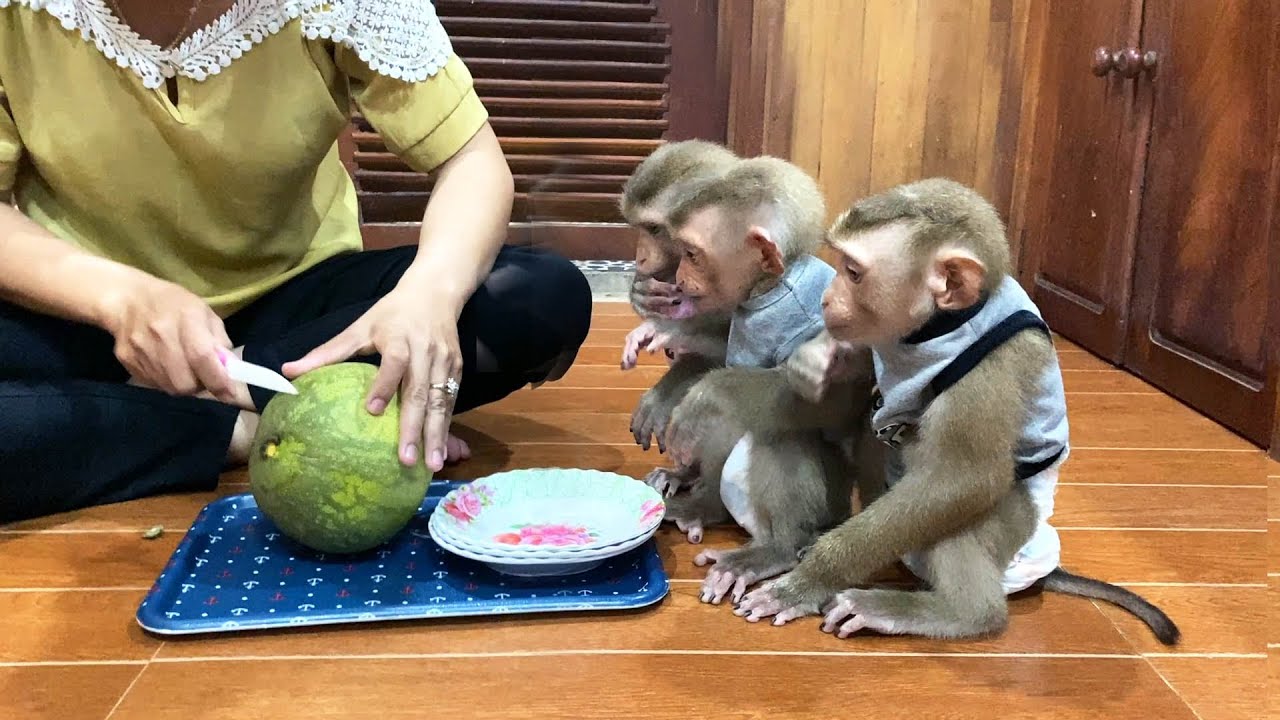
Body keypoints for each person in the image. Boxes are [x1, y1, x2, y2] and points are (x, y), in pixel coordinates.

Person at [0, 0, 593, 523]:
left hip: (296, 312)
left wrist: (429, 295)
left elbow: (471, 161)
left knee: (535, 298)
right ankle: (246, 428)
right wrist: (119, 297)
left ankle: (136, 420)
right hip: (83, 312)